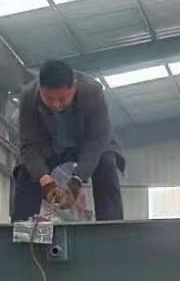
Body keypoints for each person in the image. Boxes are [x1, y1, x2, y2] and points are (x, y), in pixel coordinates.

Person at [12, 59, 125, 222]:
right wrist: (46, 182)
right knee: (25, 170)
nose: (56, 104)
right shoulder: (29, 96)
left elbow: (98, 138)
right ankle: (23, 228)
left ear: (74, 87)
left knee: (106, 162)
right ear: (40, 89)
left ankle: (111, 226)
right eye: (49, 98)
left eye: (62, 98)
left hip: (87, 142)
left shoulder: (92, 91)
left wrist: (77, 179)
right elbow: (28, 145)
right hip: (49, 145)